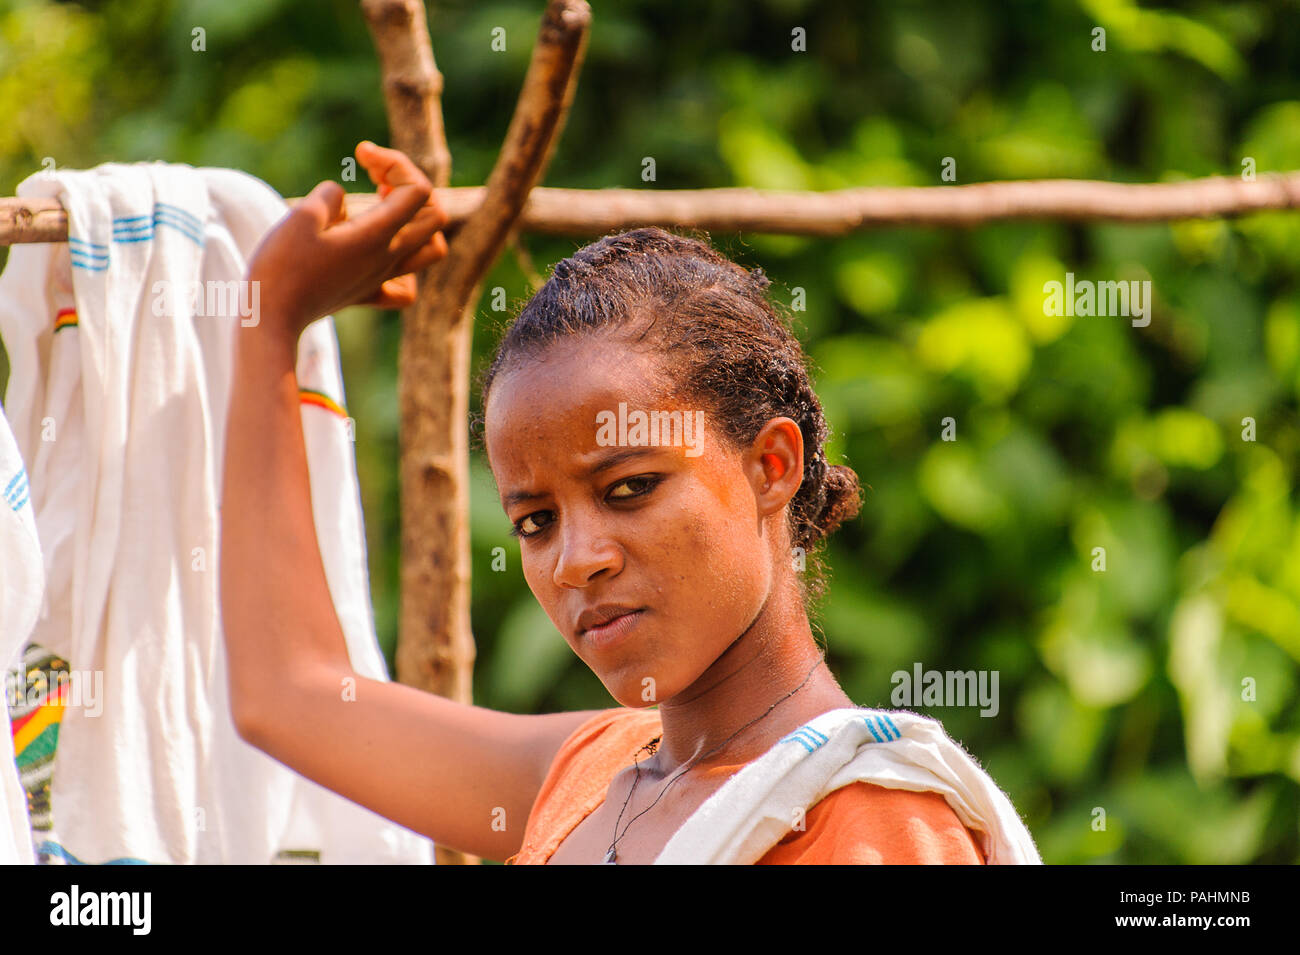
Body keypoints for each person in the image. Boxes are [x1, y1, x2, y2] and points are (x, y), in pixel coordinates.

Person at [219, 141, 999, 864]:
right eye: (535, 521)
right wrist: (269, 320)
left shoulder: (868, 822)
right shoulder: (588, 776)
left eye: (629, 488)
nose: (576, 560)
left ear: (771, 464)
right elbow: (290, 695)